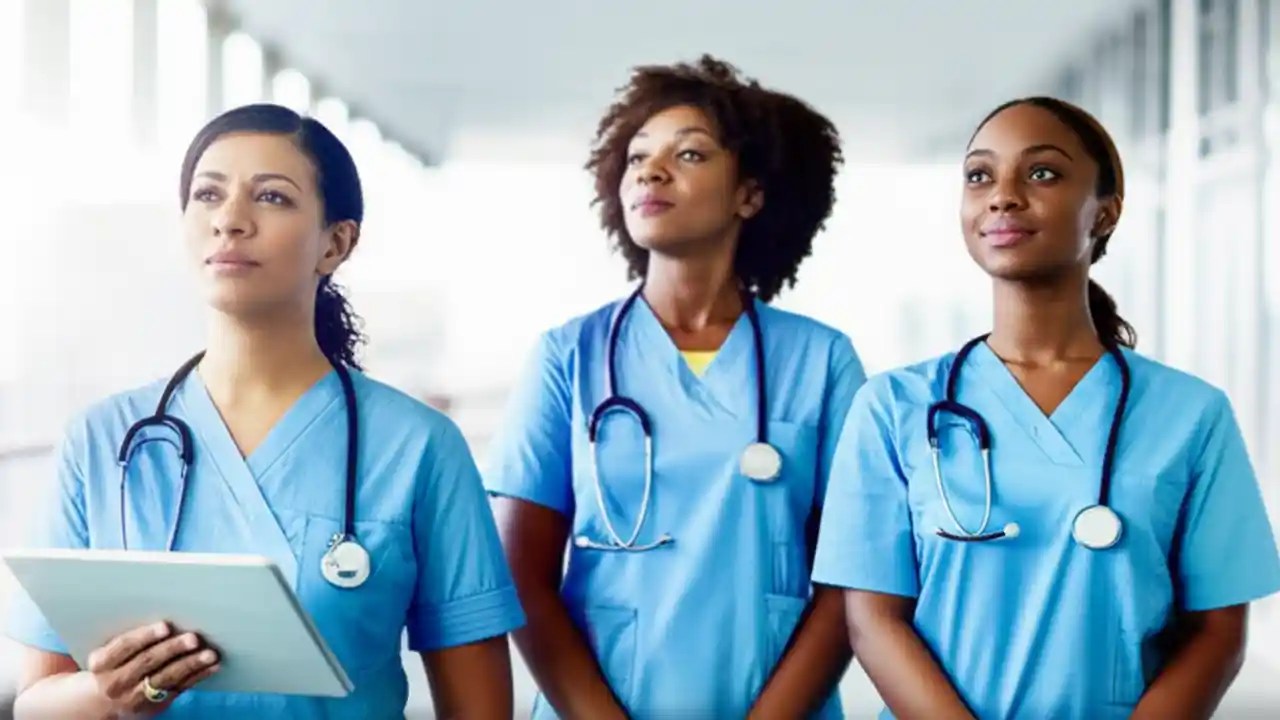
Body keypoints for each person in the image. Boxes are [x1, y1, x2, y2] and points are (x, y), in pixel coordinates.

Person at [5, 103, 525, 719]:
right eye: (208, 194)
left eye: (272, 197)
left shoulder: (418, 449)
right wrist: (109, 694)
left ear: (336, 243)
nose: (229, 220)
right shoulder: (102, 442)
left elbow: (480, 711)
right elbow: (36, 704)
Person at [812, 96, 1280, 719]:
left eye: (1041, 173)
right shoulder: (895, 407)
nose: (1002, 196)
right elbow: (872, 619)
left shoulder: (1191, 415)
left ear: (1105, 212)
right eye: (980, 175)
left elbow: (1216, 633)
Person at [485, 55, 866, 718]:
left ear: (750, 194)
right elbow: (521, 575)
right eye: (638, 156)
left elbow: (851, 578)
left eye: (689, 154)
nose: (651, 171)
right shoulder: (568, 357)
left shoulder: (821, 360)